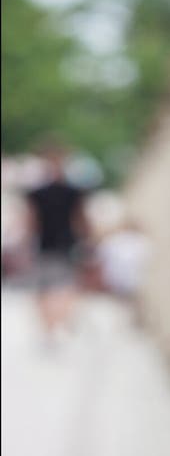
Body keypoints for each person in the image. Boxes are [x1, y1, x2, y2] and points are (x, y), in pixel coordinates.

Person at [24, 140, 89, 344]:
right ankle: (57, 323)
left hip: (49, 245)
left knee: (47, 289)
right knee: (63, 286)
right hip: (63, 245)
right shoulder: (73, 192)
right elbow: (80, 220)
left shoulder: (36, 193)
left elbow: (30, 222)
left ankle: (50, 327)